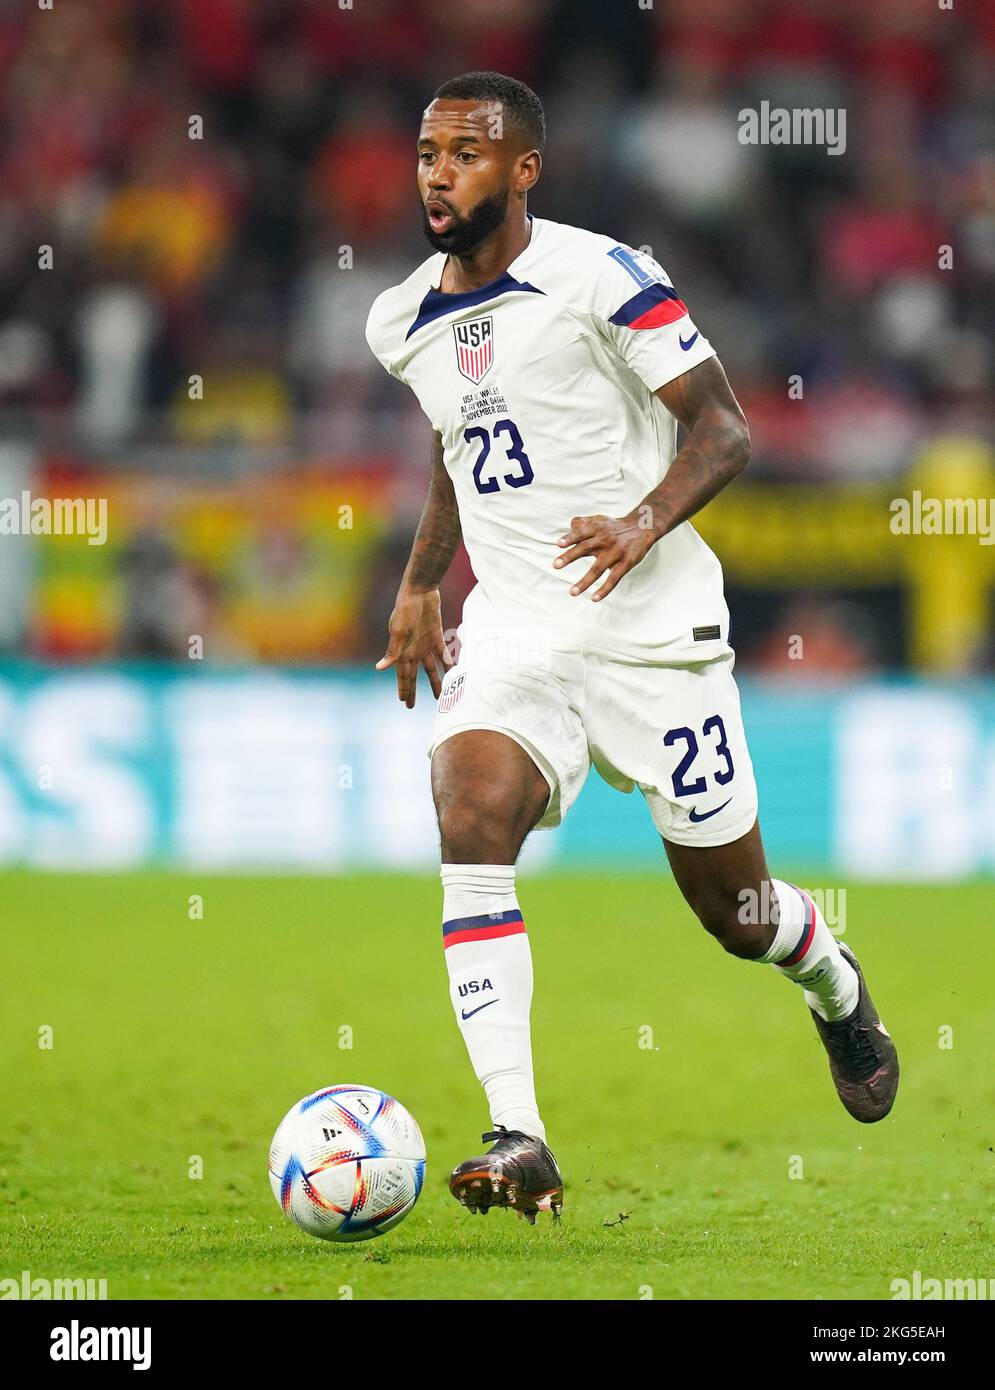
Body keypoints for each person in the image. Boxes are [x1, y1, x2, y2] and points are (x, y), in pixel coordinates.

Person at [365, 71, 898, 1224]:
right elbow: (459, 445)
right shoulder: (399, 314)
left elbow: (724, 426)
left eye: (464, 154)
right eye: (425, 154)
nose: (437, 174)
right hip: (514, 628)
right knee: (467, 808)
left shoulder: (600, 274)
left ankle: (834, 982)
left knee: (735, 914)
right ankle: (520, 1134)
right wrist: (417, 584)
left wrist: (641, 519)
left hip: (654, 636)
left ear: (522, 170)